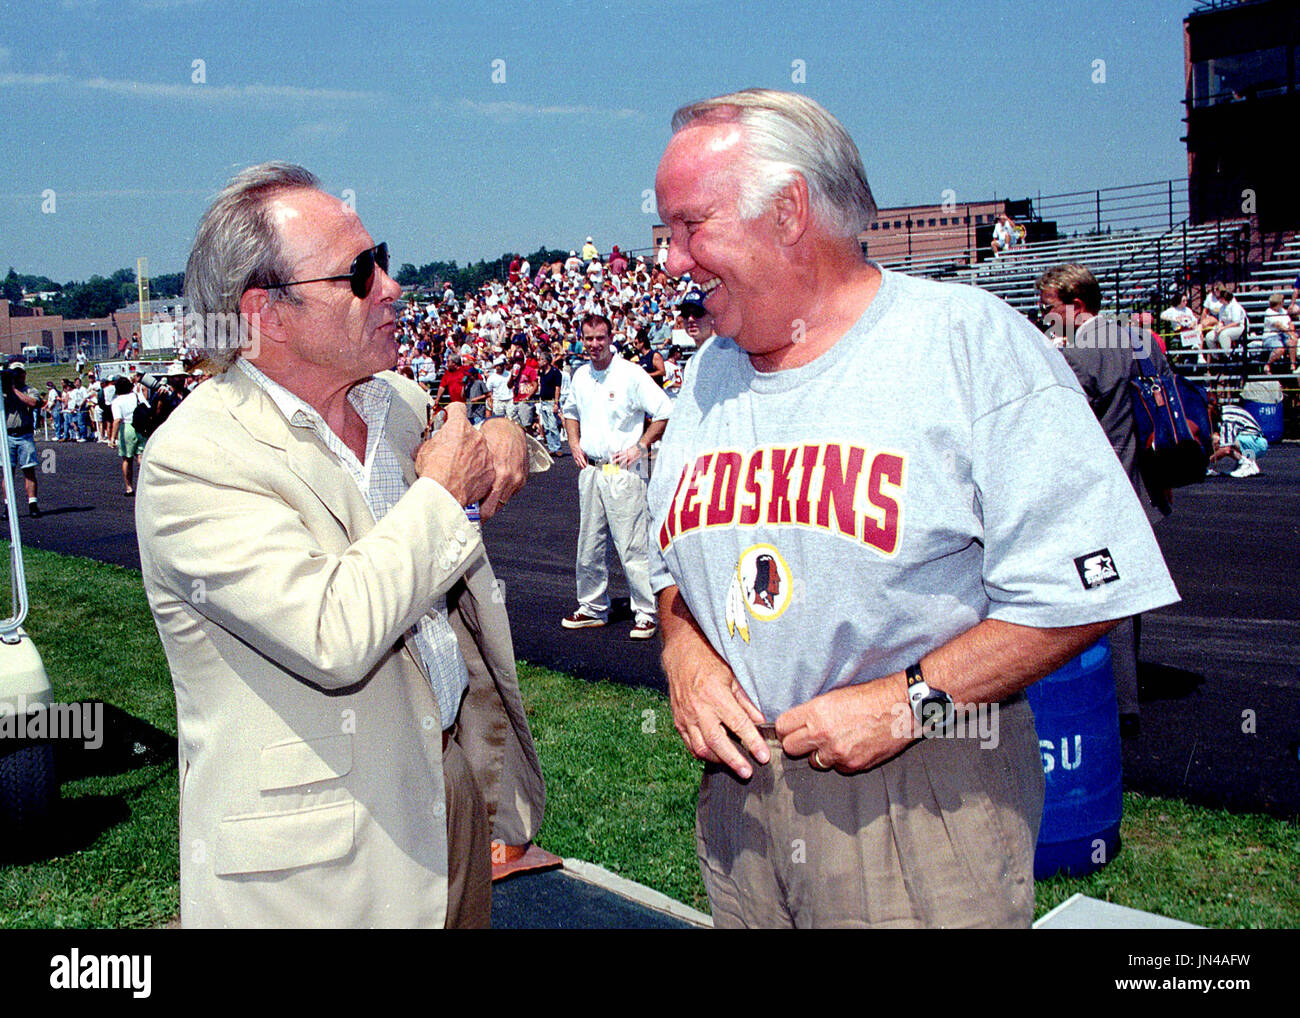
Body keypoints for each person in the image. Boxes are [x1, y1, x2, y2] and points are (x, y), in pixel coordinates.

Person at [649, 89, 1179, 928]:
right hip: (744, 801)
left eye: (688, 226)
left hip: (919, 790)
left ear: (788, 210)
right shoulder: (708, 375)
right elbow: (671, 570)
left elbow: (1084, 587)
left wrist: (909, 700)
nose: (671, 261)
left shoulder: (965, 343)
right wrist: (685, 655)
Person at [135, 163, 545, 928]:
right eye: (359, 273)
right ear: (268, 313)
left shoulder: (391, 404)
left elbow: (469, 453)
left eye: (380, 257)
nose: (390, 286)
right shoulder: (195, 460)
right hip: (320, 865)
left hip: (447, 794)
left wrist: (503, 433)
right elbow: (333, 633)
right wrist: (442, 495)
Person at [1036, 264, 1171, 736]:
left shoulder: (1077, 354)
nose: (1046, 318)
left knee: (1098, 599)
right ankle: (1125, 693)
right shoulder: (1141, 339)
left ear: (1076, 306)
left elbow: (1056, 429)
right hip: (1143, 486)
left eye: (1050, 309)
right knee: (1124, 599)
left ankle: (1116, 705)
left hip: (1099, 496)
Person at [560, 312, 672, 640]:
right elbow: (570, 411)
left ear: (611, 337)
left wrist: (640, 446)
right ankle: (592, 607)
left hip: (624, 470)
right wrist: (574, 442)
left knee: (633, 545)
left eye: (600, 338)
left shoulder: (630, 374)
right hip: (591, 470)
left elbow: (664, 411)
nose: (594, 345)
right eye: (588, 339)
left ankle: (647, 612)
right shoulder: (580, 375)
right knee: (589, 544)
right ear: (582, 339)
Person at [3, 362, 42, 516]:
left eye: (20, 373)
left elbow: (33, 403)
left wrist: (14, 390)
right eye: (14, 374)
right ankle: (8, 505)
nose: (17, 376)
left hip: (24, 435)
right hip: (7, 435)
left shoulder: (30, 390)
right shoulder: (3, 393)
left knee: (29, 470)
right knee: (8, 472)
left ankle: (33, 504)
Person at [108, 376, 143, 495]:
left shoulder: (116, 401)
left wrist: (112, 438)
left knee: (127, 459)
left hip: (127, 427)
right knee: (140, 455)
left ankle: (129, 487)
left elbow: (117, 420)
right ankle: (146, 482)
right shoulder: (135, 395)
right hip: (139, 425)